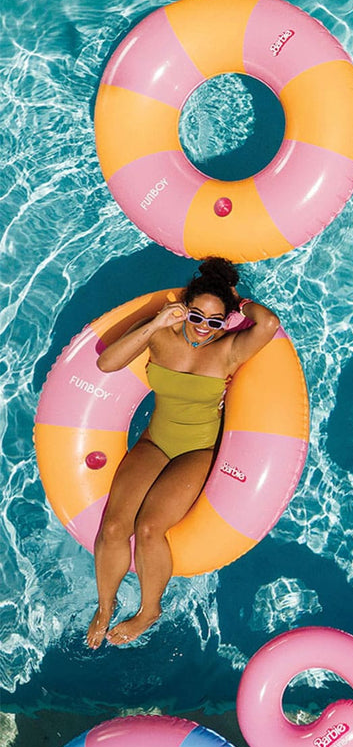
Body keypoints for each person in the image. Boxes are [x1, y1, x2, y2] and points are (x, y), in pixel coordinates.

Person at [87, 257, 280, 648]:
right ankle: (105, 606)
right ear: (183, 310)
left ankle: (148, 610)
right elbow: (107, 363)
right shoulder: (161, 337)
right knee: (112, 527)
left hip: (198, 451)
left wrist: (238, 303)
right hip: (154, 442)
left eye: (214, 321)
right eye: (196, 316)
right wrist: (157, 323)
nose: (203, 328)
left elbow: (269, 324)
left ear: (224, 323)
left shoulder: (228, 351)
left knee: (148, 529)